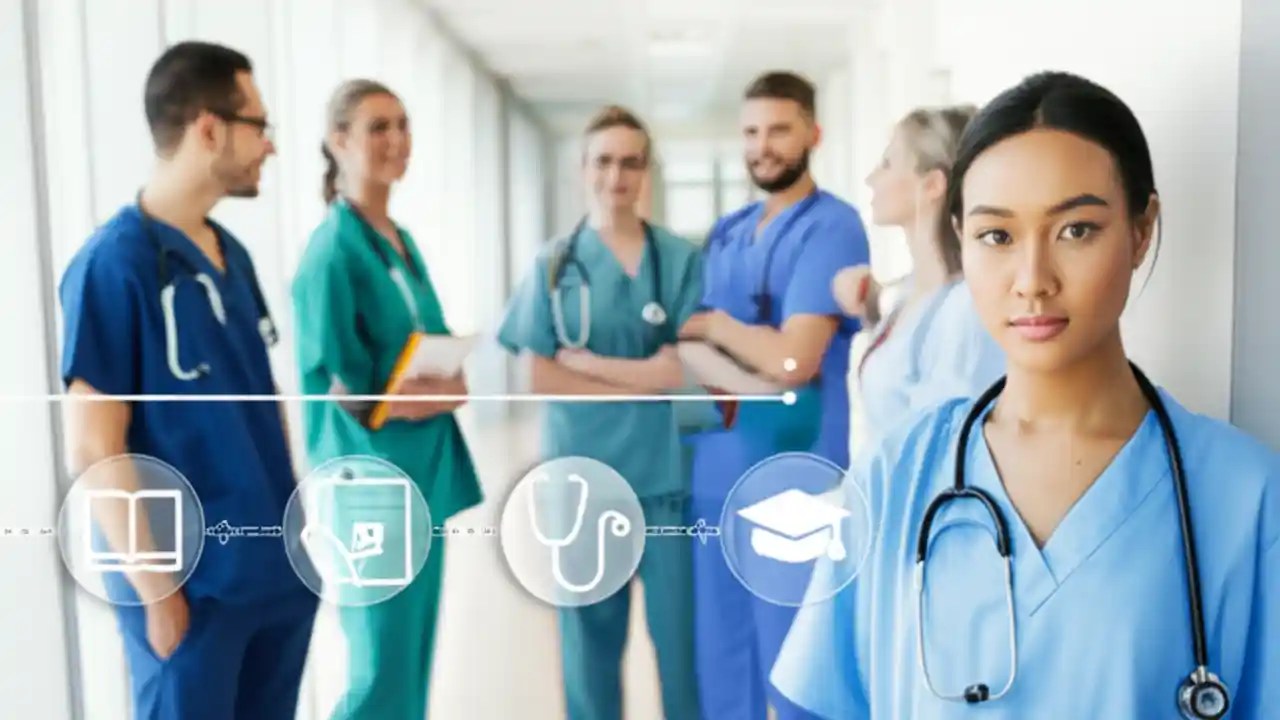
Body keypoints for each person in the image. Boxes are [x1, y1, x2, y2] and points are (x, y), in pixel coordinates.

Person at [771, 70, 1279, 719]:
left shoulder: (1243, 494)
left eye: (1076, 230)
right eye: (998, 236)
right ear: (962, 237)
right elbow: (812, 705)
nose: (1033, 280)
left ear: (1141, 230)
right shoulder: (896, 475)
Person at [58, 42, 316, 719]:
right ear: (209, 128)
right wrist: (156, 590)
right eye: (258, 126)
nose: (270, 146)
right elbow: (93, 445)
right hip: (194, 590)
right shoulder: (114, 264)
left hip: (272, 574)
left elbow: (261, 399)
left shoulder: (232, 256)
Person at [497, 105, 703, 720]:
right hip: (582, 485)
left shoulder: (678, 258)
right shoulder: (554, 264)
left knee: (682, 650)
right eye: (604, 162)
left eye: (631, 163)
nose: (617, 176)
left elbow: (685, 371)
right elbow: (535, 373)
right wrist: (645, 379)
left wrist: (589, 367)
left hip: (665, 485)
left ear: (647, 171)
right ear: (582, 169)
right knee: (588, 653)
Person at [680, 71, 871, 720]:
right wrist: (738, 343)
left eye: (779, 130)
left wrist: (717, 326)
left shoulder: (833, 228)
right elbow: (687, 348)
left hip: (795, 479)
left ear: (814, 134)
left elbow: (794, 359)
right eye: (751, 132)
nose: (762, 146)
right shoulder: (728, 231)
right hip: (715, 472)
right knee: (721, 667)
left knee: (796, 674)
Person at [291, 79, 483, 719]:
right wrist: (424, 394)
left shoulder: (398, 241)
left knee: (411, 661)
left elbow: (433, 360)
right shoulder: (331, 252)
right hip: (369, 487)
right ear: (337, 141)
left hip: (420, 476)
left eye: (403, 125)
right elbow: (350, 393)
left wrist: (432, 388)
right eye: (378, 127)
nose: (397, 140)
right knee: (377, 668)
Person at [832, 105, 1005, 460]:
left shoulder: (964, 308)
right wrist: (873, 313)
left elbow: (941, 448)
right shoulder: (911, 294)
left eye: (887, 163)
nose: (871, 179)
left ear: (932, 185)